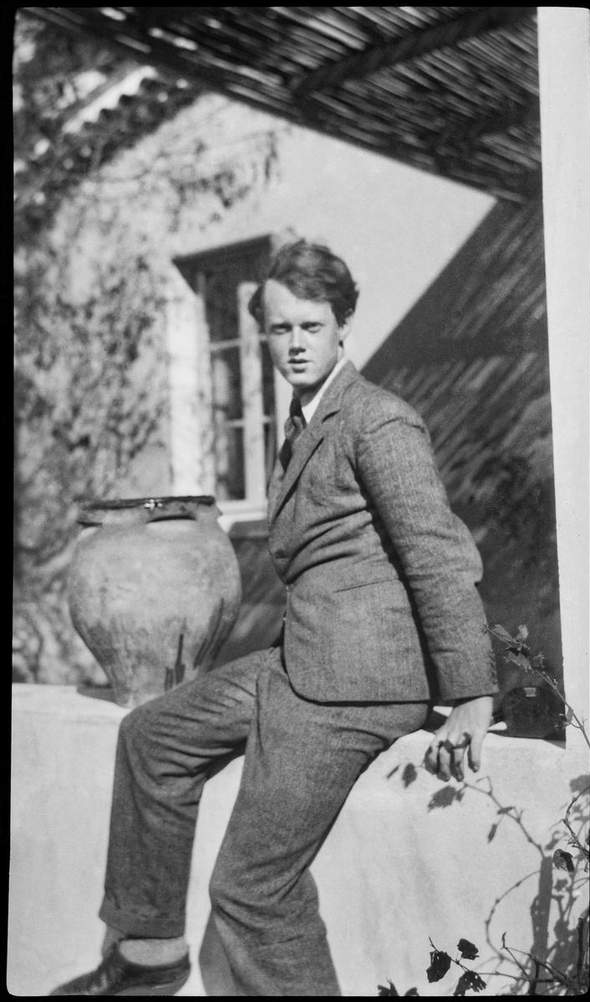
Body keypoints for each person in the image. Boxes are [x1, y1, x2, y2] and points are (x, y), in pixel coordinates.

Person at [51, 239, 498, 996]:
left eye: (311, 328)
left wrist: (473, 696)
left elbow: (437, 557)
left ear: (342, 325)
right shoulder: (303, 423)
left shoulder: (378, 422)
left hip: (356, 686)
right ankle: (149, 958)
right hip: (301, 662)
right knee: (150, 737)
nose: (295, 344)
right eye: (281, 329)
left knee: (253, 891)